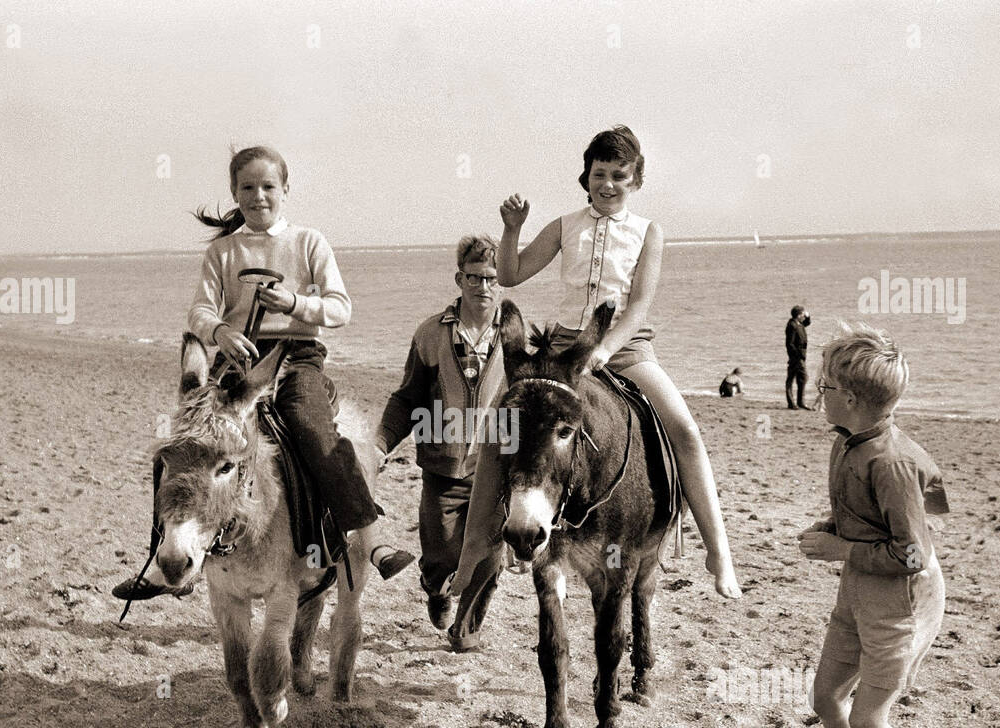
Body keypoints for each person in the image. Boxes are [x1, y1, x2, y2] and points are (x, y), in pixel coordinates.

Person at [448, 125, 742, 649]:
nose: (608, 185)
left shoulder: (649, 233)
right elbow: (511, 273)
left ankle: (717, 549)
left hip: (626, 349)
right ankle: (475, 552)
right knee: (499, 432)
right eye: (600, 175)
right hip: (559, 352)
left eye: (619, 176)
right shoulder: (565, 226)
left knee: (686, 430)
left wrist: (607, 348)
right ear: (586, 177)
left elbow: (640, 305)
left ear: (637, 179)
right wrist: (512, 227)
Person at [113, 145, 409, 601]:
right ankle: (163, 552)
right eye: (247, 187)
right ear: (234, 192)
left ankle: (368, 536)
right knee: (179, 446)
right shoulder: (223, 251)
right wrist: (221, 331)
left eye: (268, 186)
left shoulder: (309, 242)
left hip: (296, 357)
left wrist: (294, 304)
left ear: (285, 190)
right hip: (234, 364)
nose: (258, 196)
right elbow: (200, 310)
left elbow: (340, 308)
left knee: (311, 427)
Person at [798, 322, 949, 728]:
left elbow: (911, 551)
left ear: (855, 399)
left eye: (826, 388)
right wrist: (835, 527)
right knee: (825, 696)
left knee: (869, 716)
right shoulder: (848, 443)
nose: (819, 394)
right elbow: (871, 518)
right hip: (858, 590)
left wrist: (843, 549)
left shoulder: (892, 461)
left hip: (900, 602)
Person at [376, 235, 513, 633]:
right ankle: (437, 589)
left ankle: (466, 630)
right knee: (441, 555)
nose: (482, 287)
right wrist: (381, 443)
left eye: (490, 278)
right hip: (443, 468)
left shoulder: (514, 334)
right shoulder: (432, 333)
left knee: (489, 553)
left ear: (500, 281)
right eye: (473, 278)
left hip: (497, 465)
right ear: (459, 279)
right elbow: (407, 399)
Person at [785, 305, 810, 409]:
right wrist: (796, 356)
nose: (804, 316)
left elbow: (807, 323)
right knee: (793, 379)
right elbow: (789, 343)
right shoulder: (792, 325)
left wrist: (808, 316)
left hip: (801, 356)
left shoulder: (799, 323)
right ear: (799, 315)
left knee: (801, 379)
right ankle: (792, 403)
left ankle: (800, 402)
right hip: (796, 357)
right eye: (803, 315)